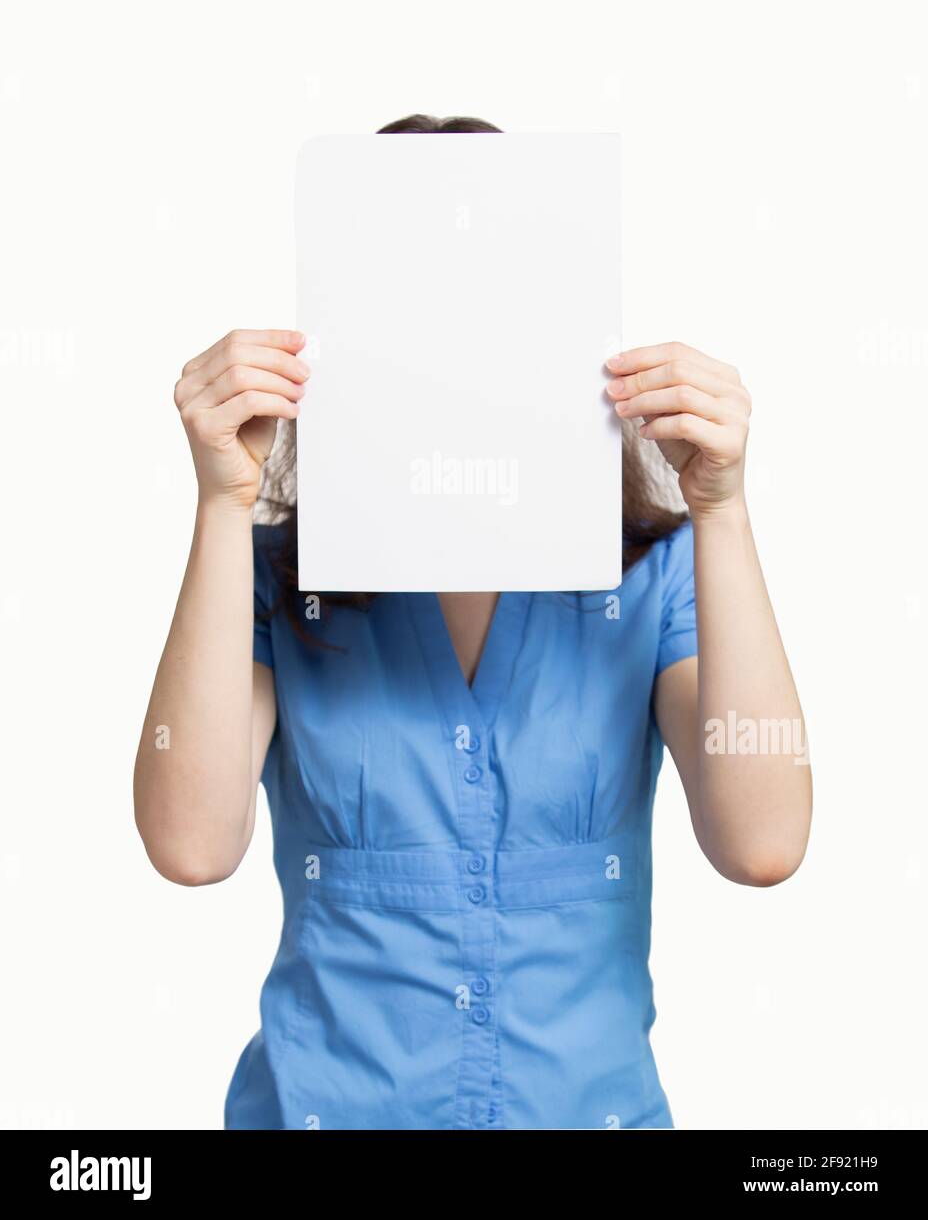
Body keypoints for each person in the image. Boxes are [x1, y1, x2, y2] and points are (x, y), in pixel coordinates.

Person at [133, 113, 811, 1130]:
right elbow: (189, 844)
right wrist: (223, 503)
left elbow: (763, 843)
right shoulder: (276, 578)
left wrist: (721, 508)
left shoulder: (653, 572)